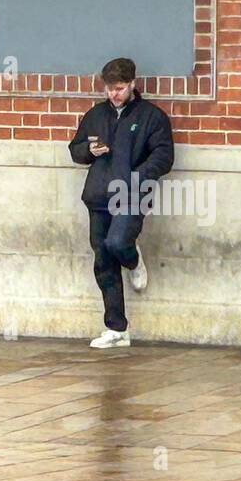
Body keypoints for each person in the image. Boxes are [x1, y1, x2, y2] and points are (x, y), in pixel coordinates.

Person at [68, 58, 175, 349]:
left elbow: (164, 157)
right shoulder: (96, 115)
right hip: (98, 196)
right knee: (102, 260)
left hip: (131, 194)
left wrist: (136, 176)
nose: (114, 94)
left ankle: (134, 260)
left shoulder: (152, 117)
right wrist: (89, 150)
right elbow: (75, 150)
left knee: (117, 243)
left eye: (119, 88)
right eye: (109, 89)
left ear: (132, 85)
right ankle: (116, 329)